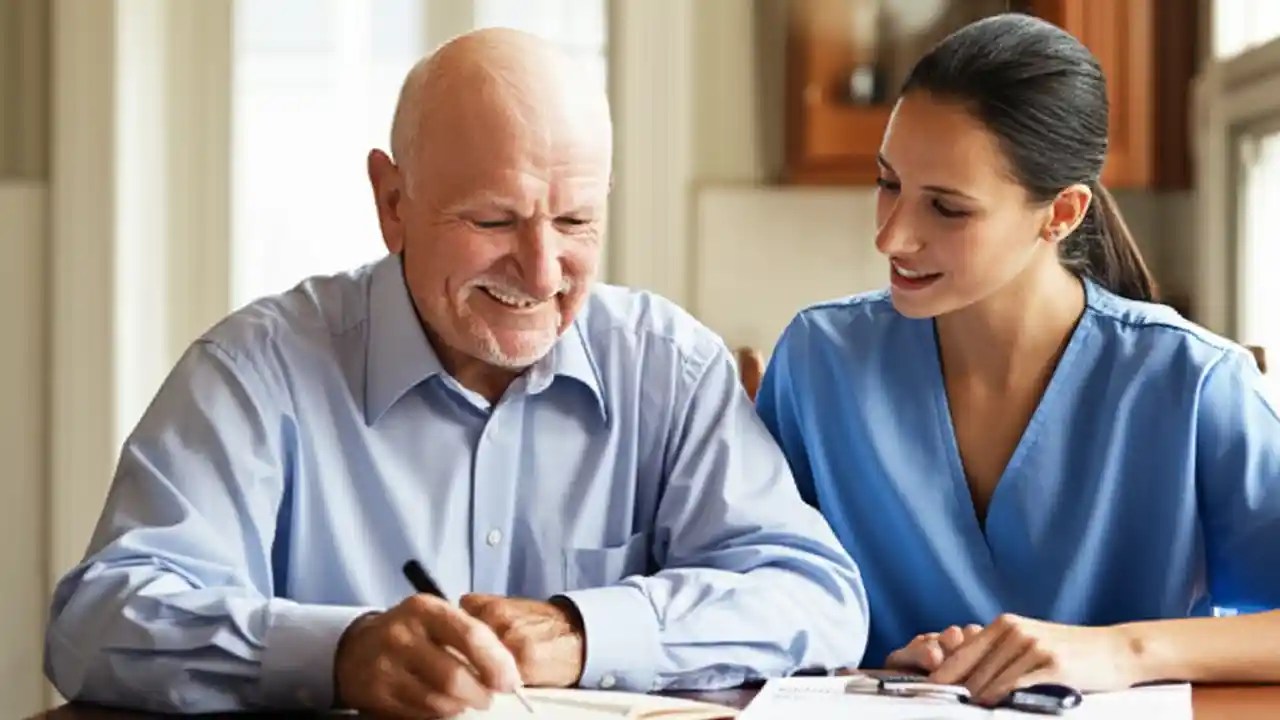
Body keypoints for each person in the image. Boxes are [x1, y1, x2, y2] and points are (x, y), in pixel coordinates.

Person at [44, 28, 869, 716]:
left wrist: (588, 633)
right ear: (392, 201)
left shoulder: (669, 365)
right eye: (493, 219)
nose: (543, 271)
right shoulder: (257, 371)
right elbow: (98, 622)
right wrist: (339, 652)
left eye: (577, 220)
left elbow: (816, 597)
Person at [756, 12, 1280, 707]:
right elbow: (748, 591)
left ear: (1060, 214)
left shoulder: (1191, 384)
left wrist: (1118, 650)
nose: (892, 236)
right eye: (888, 183)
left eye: (946, 208)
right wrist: (864, 657)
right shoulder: (820, 362)